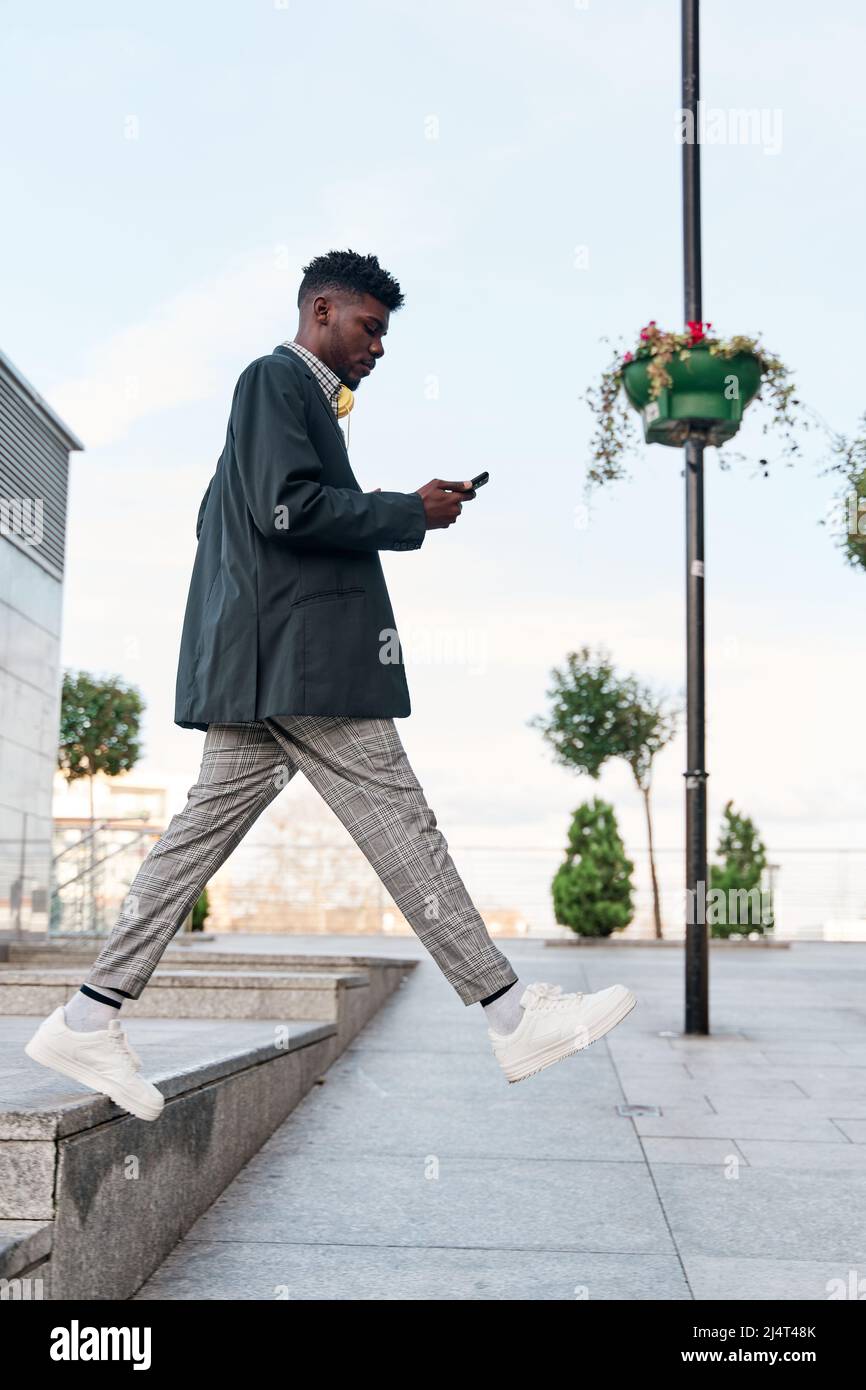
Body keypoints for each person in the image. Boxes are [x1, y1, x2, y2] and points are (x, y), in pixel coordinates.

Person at [25, 249, 635, 1120]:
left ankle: (88, 1014)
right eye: (369, 328)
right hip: (304, 662)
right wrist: (404, 511)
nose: (379, 348)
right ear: (321, 311)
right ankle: (509, 1014)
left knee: (196, 840)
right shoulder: (276, 381)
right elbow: (289, 507)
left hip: (266, 663)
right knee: (400, 823)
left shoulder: (282, 400)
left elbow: (230, 521)